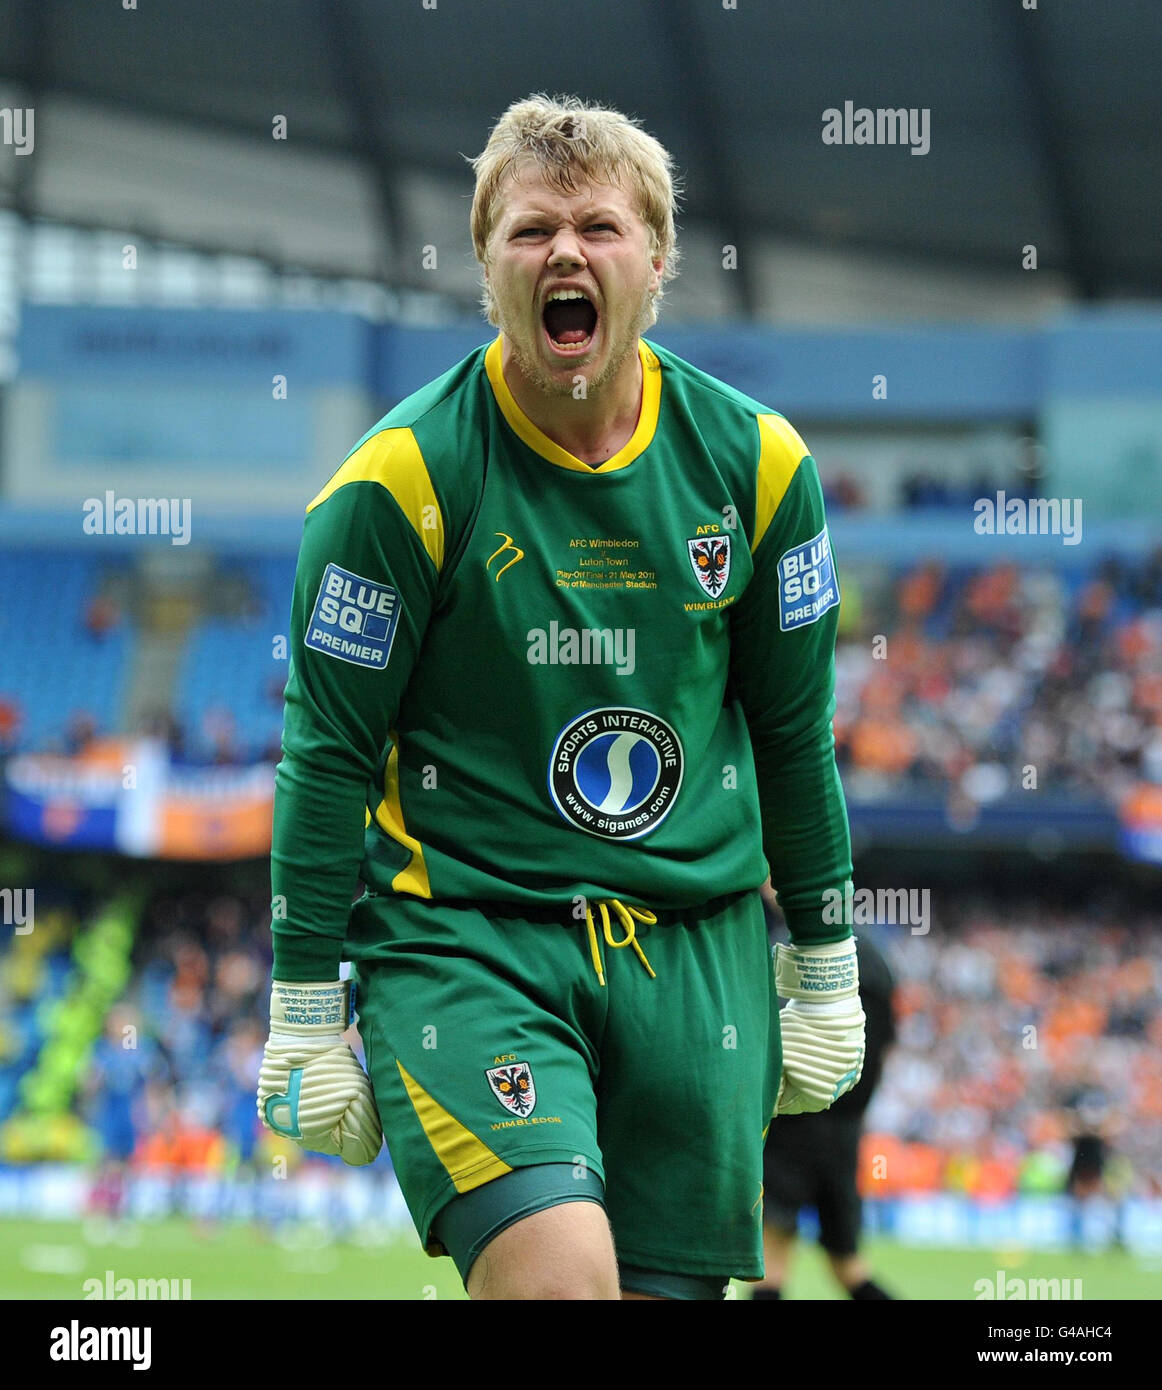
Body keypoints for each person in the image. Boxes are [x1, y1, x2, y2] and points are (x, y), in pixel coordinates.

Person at [258, 93, 864, 1301]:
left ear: (655, 259)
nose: (565, 254)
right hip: (469, 936)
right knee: (557, 1284)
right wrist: (300, 999)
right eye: (530, 232)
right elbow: (327, 752)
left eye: (598, 226)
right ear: (487, 268)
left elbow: (792, 736)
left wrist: (827, 962)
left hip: (695, 955)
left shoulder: (758, 467)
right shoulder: (403, 479)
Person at [752, 921, 896, 1300]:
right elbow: (886, 1041)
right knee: (847, 1264)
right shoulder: (875, 956)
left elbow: (771, 1037)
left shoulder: (790, 946)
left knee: (773, 1254)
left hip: (793, 1124)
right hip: (846, 1129)